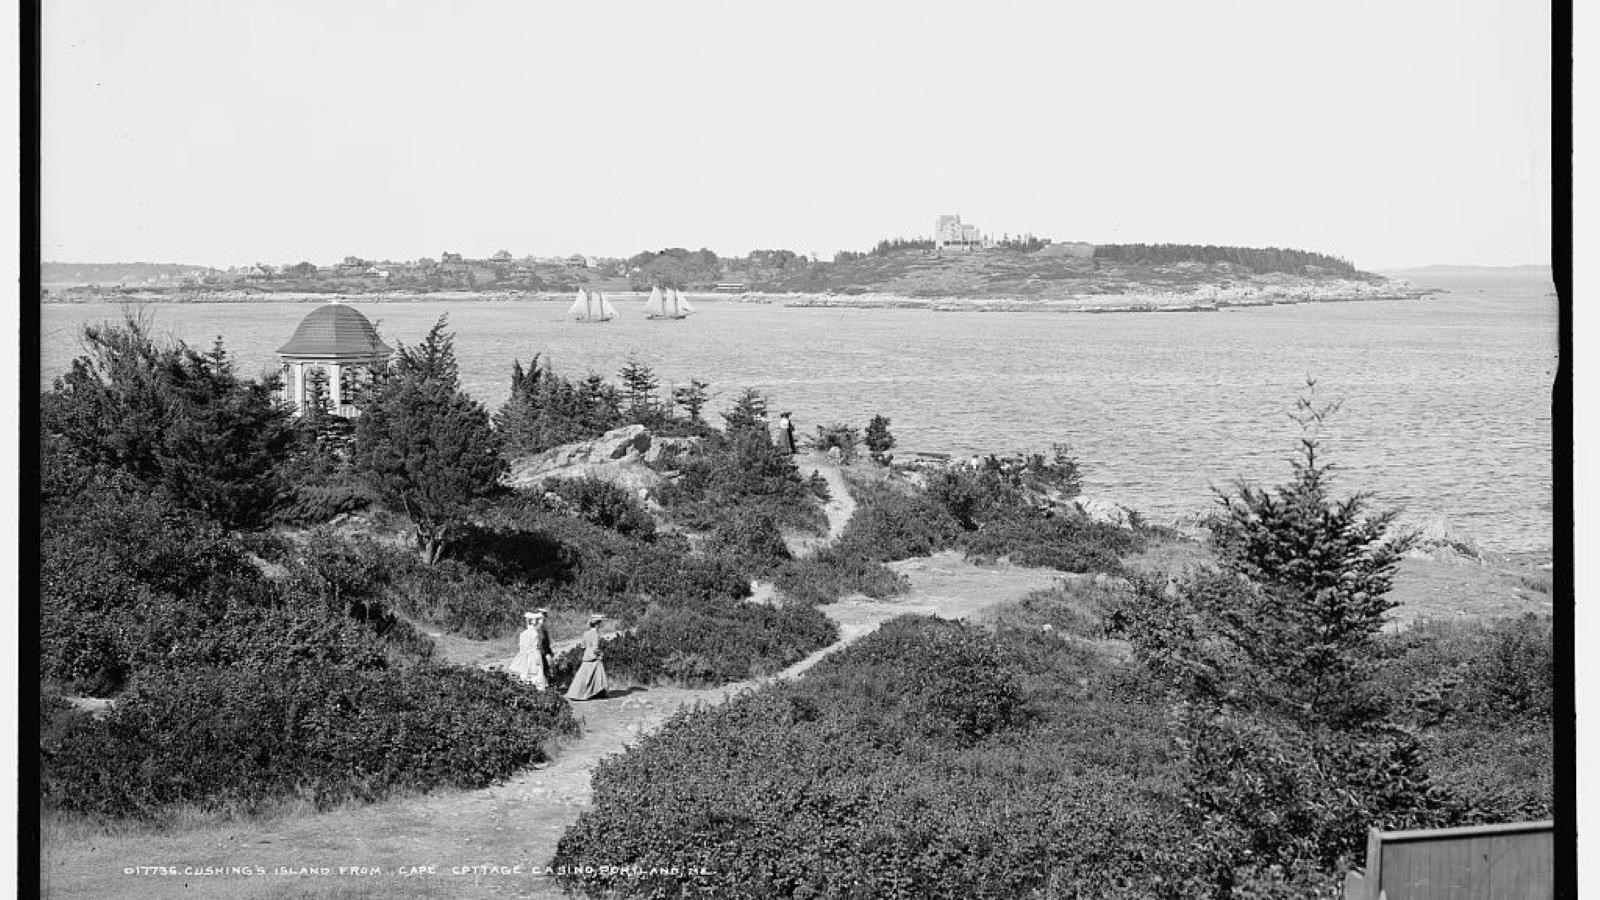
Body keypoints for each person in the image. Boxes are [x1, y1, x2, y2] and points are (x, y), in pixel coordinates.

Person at [564, 613, 609, 701]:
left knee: (583, 674)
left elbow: (583, 645)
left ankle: (577, 692)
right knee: (599, 673)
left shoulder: (586, 633)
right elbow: (595, 648)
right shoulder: (595, 634)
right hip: (593, 655)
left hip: (587, 654)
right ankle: (599, 692)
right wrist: (600, 653)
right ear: (597, 624)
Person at [508, 610, 550, 690]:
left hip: (524, 654)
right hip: (533, 654)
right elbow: (535, 646)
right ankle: (537, 689)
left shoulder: (523, 633)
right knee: (536, 672)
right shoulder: (534, 633)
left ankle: (527, 687)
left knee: (525, 672)